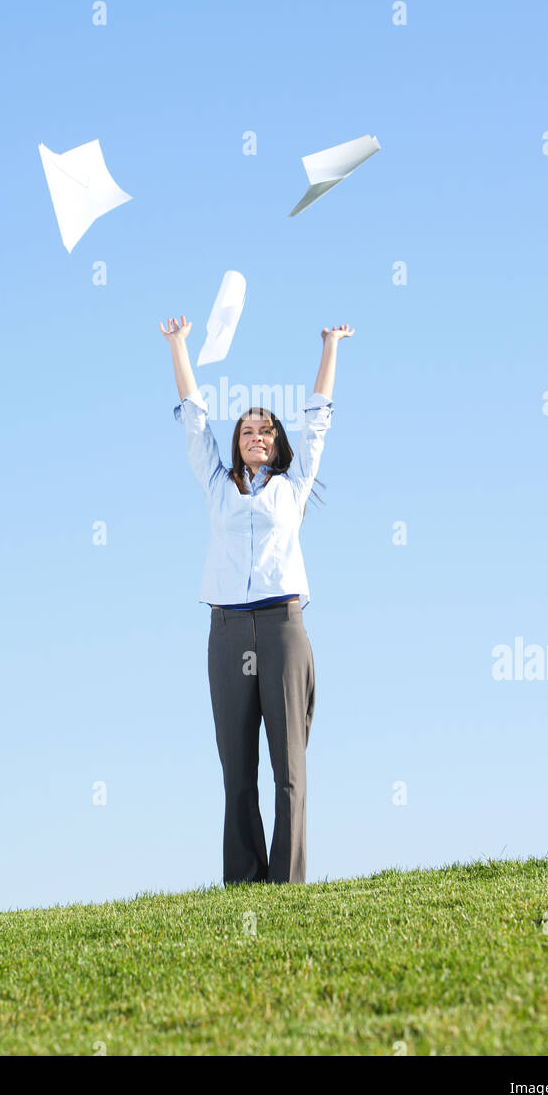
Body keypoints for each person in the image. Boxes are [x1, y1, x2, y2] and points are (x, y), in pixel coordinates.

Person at [159, 314, 354, 885]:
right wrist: (179, 345)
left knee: (289, 764)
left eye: (265, 432)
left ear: (277, 444)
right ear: (238, 443)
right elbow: (194, 420)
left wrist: (329, 346)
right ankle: (244, 879)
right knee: (236, 766)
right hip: (227, 630)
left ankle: (287, 882)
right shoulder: (218, 486)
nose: (255, 437)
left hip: (281, 626)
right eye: (246, 431)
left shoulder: (291, 489)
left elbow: (318, 419)